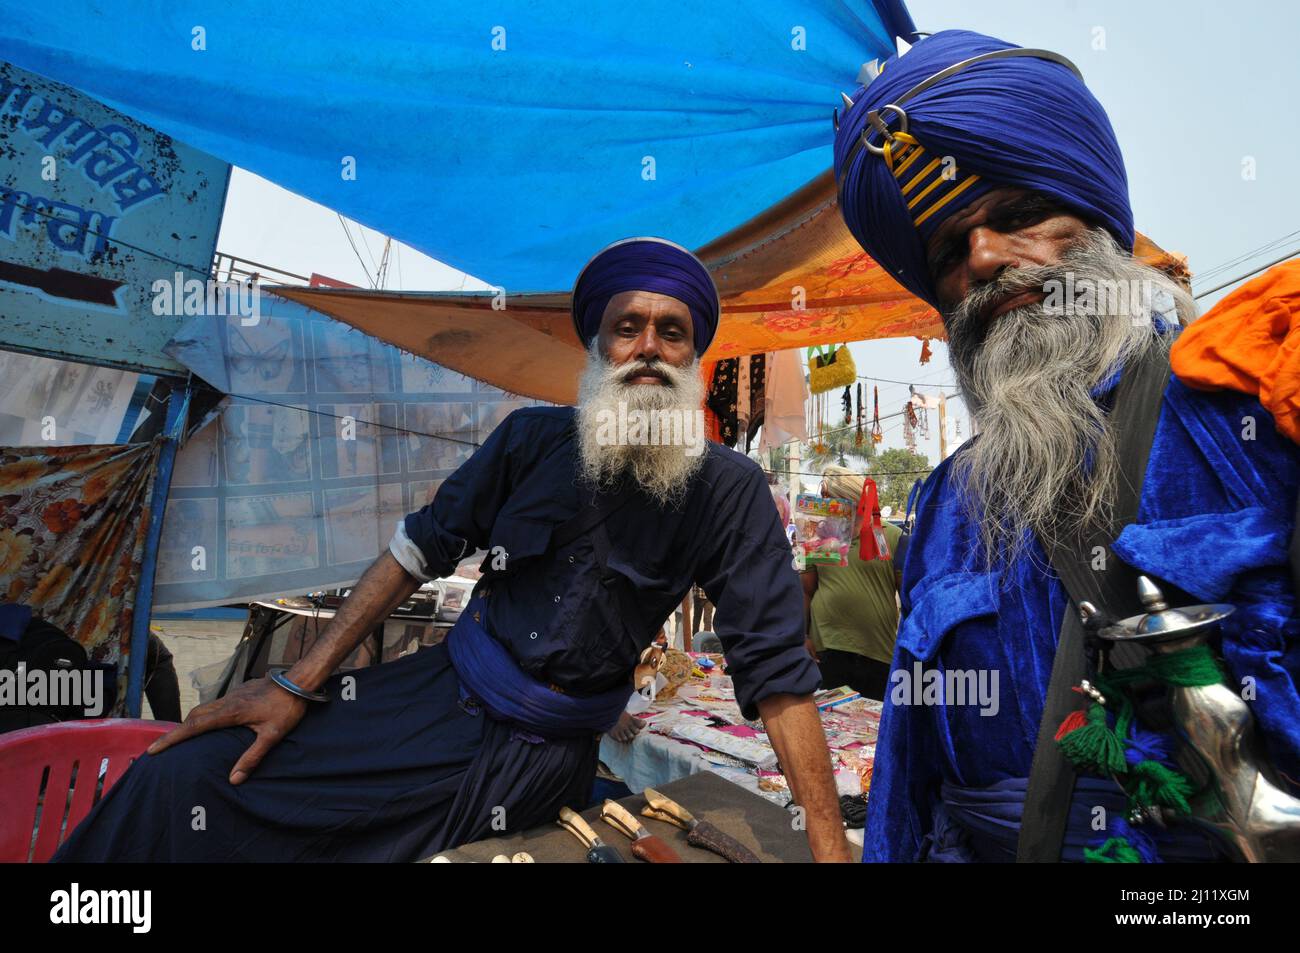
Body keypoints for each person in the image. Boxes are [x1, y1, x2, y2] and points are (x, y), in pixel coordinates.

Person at [54, 236, 850, 862]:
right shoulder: (531, 441)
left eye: (670, 332)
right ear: (600, 350)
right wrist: (295, 681)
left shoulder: (729, 489)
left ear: (695, 359)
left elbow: (777, 675)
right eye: (627, 327)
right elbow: (414, 551)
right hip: (438, 705)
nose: (647, 346)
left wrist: (827, 850)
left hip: (549, 758)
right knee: (182, 779)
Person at [835, 30, 1300, 861]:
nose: (983, 257)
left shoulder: (1243, 418)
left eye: (1015, 216)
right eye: (948, 250)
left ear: (1101, 231)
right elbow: (908, 770)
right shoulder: (944, 502)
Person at [800, 466, 906, 701]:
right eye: (823, 496)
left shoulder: (888, 535)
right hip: (827, 648)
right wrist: (802, 637)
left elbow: (906, 595)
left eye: (828, 495)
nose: (824, 502)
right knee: (832, 722)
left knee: (871, 725)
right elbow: (805, 590)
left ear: (849, 496)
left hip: (878, 651)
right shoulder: (818, 535)